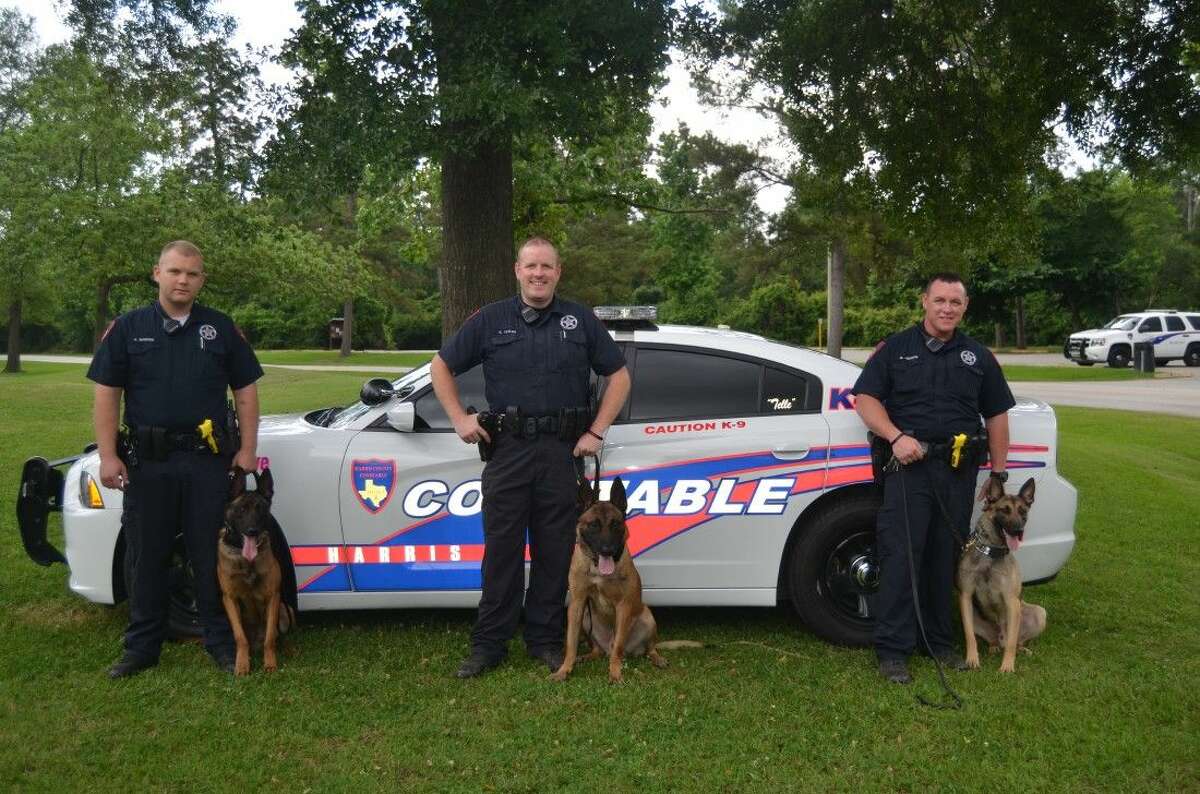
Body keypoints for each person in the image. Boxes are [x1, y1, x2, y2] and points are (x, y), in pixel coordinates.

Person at [431, 237, 632, 678]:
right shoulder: (490, 319)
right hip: (508, 452)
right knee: (501, 550)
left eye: (547, 267)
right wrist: (459, 420)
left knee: (555, 550)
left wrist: (596, 431)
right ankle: (490, 643)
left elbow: (618, 375)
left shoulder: (580, 320)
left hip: (562, 454)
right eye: (530, 266)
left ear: (559, 272)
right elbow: (440, 366)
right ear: (517, 271)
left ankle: (543, 639)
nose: (538, 274)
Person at [89, 240, 264, 678]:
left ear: (202, 279)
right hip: (149, 464)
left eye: (192, 273)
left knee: (210, 554)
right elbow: (107, 393)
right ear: (157, 274)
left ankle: (221, 642)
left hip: (207, 462)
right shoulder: (128, 329)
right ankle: (142, 647)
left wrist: (246, 449)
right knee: (147, 554)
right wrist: (108, 455)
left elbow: (246, 391)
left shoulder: (221, 329)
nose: (183, 280)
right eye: (175, 272)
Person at [851, 272, 1015, 684]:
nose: (947, 309)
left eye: (955, 303)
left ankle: (938, 642)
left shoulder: (978, 357)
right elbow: (866, 398)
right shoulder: (896, 349)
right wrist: (895, 436)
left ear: (965, 307)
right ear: (924, 301)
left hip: (958, 472)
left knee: (946, 557)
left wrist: (997, 474)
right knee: (902, 555)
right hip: (908, 467)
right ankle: (893, 650)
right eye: (939, 300)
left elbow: (996, 414)